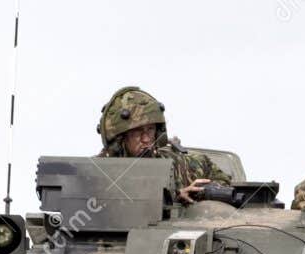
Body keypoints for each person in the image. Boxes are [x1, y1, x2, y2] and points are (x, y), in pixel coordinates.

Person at [95, 86, 229, 203]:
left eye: (151, 129)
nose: (146, 139)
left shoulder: (177, 163)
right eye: (137, 132)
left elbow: (221, 180)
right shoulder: (97, 173)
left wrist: (200, 192)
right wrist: (173, 198)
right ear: (120, 138)